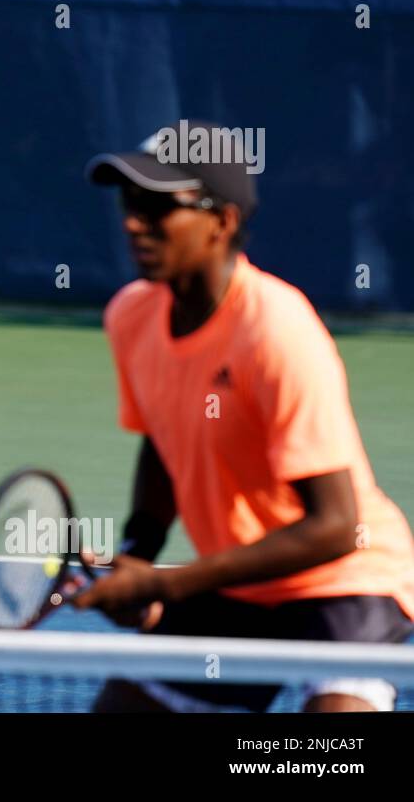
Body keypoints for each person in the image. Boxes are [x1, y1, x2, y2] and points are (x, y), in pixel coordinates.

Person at [78, 120, 414, 712]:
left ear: (222, 222)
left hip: (345, 580)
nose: (134, 221)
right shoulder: (130, 317)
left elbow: (335, 526)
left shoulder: (276, 331)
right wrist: (139, 548)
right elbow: (162, 439)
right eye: (130, 203)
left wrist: (163, 585)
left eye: (158, 206)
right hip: (237, 583)